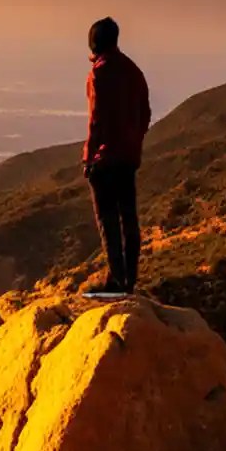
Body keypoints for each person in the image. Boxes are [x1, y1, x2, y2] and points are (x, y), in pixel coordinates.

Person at [83, 17, 151, 297]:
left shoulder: (99, 73)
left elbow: (97, 120)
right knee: (128, 218)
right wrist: (134, 140)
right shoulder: (133, 70)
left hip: (105, 158)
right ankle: (129, 280)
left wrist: (89, 157)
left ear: (94, 42)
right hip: (128, 157)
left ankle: (116, 282)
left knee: (107, 220)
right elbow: (145, 113)